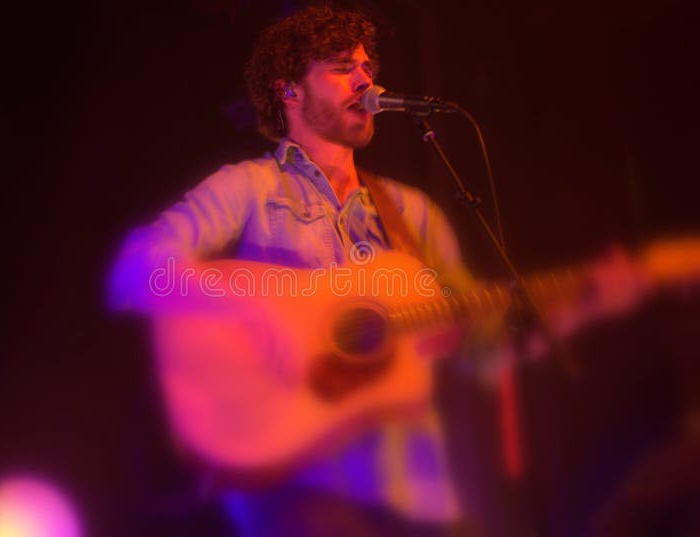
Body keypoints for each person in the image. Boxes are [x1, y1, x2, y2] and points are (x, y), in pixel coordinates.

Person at [108, 5, 649, 536]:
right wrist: (254, 305)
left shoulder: (411, 214)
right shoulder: (249, 187)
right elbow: (137, 269)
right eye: (344, 67)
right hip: (296, 486)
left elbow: (484, 355)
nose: (366, 80)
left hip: (414, 495)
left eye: (369, 68)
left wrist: (584, 307)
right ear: (289, 88)